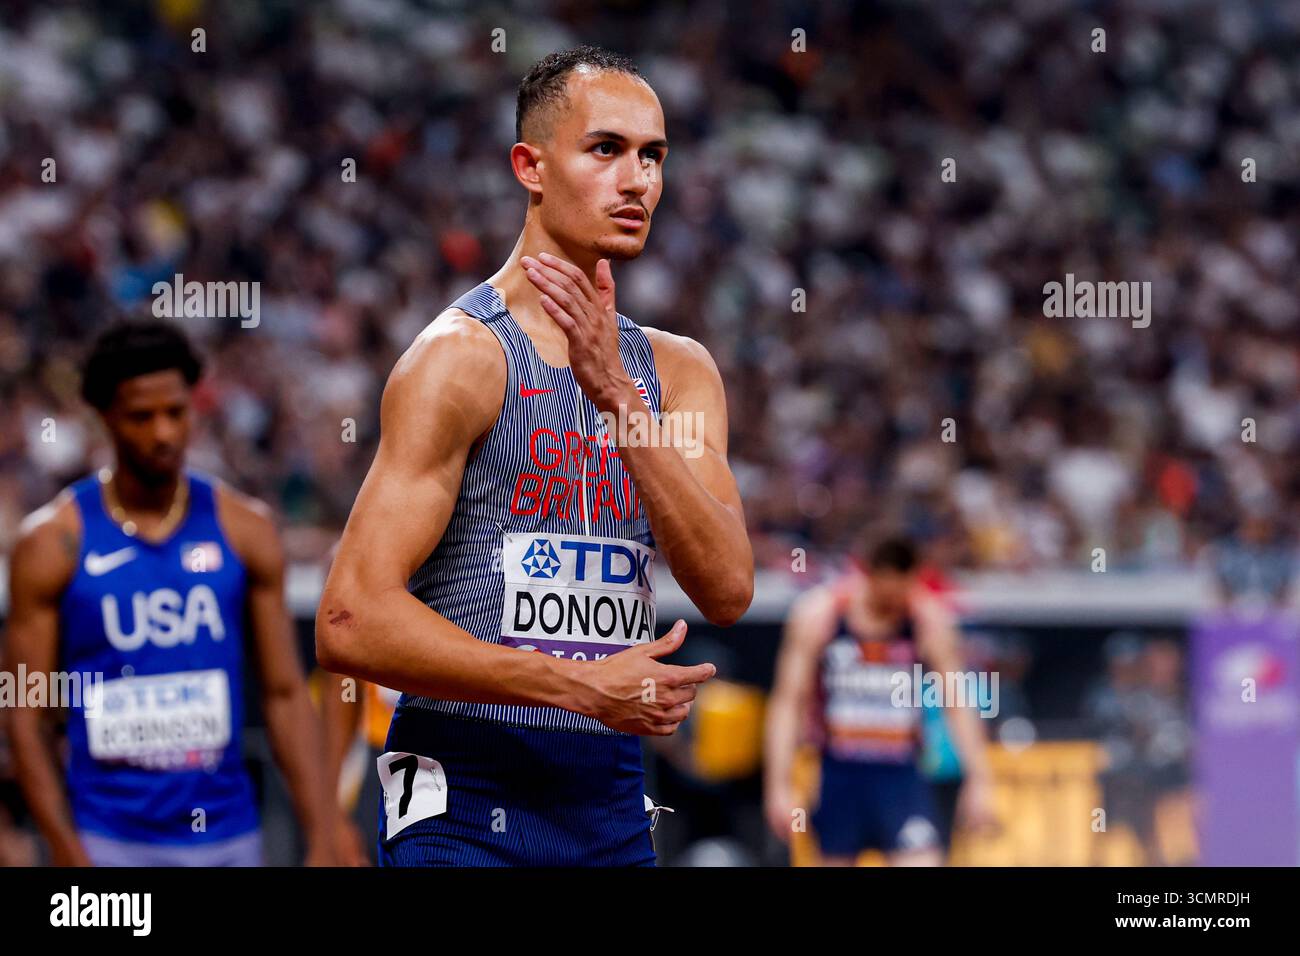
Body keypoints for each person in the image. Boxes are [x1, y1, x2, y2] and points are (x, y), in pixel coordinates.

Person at [316, 45, 753, 866]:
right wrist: (578, 684)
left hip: (610, 798)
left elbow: (726, 590)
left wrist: (622, 402)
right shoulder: (460, 358)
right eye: (606, 150)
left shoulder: (679, 372)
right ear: (530, 165)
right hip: (464, 790)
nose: (638, 182)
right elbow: (349, 619)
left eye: (653, 156)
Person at [5, 319, 338, 866]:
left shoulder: (245, 530)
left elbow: (284, 695)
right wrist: (65, 849)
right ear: (105, 416)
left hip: (228, 838)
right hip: (107, 840)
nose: (163, 433)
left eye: (176, 413)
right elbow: (26, 713)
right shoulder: (52, 543)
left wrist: (323, 833)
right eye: (142, 416)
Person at [764, 536, 996, 865]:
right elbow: (788, 702)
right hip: (838, 774)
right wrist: (778, 786)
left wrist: (980, 780)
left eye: (904, 590)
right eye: (887, 593)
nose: (896, 602)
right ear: (868, 575)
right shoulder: (822, 615)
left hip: (901, 774)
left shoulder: (926, 619)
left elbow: (957, 701)